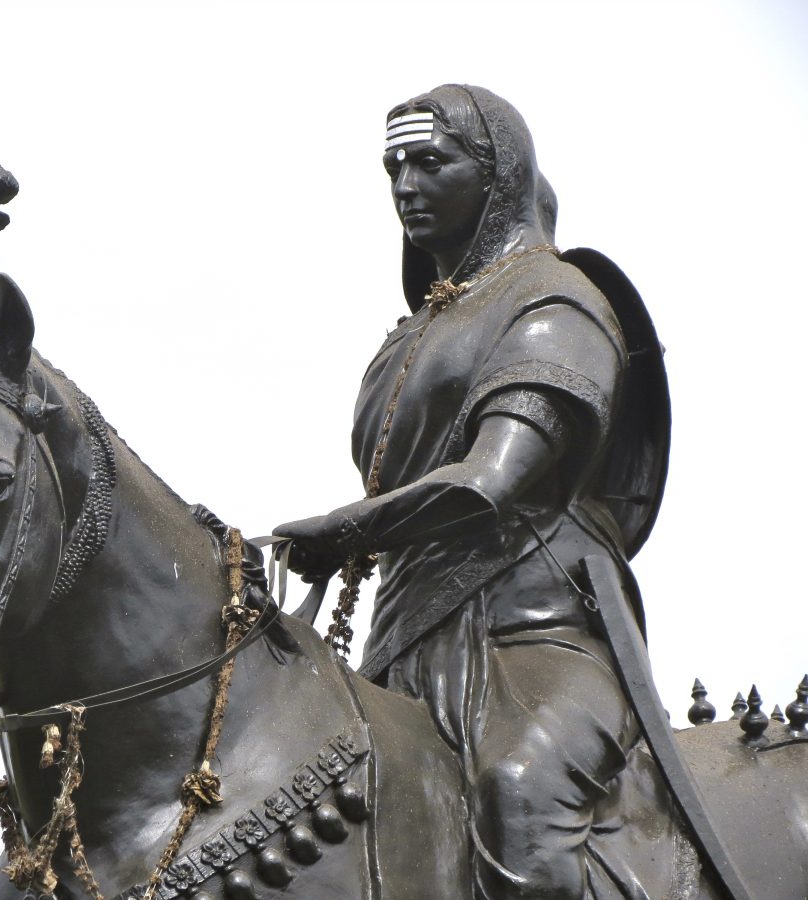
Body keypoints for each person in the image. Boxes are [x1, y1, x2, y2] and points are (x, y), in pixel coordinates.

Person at [275, 84, 669, 900]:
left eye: (429, 161)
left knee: (519, 793)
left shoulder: (559, 303)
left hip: (536, 640)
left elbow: (493, 483)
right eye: (392, 166)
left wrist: (342, 532)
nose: (404, 185)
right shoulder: (414, 333)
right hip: (400, 645)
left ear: (497, 174)